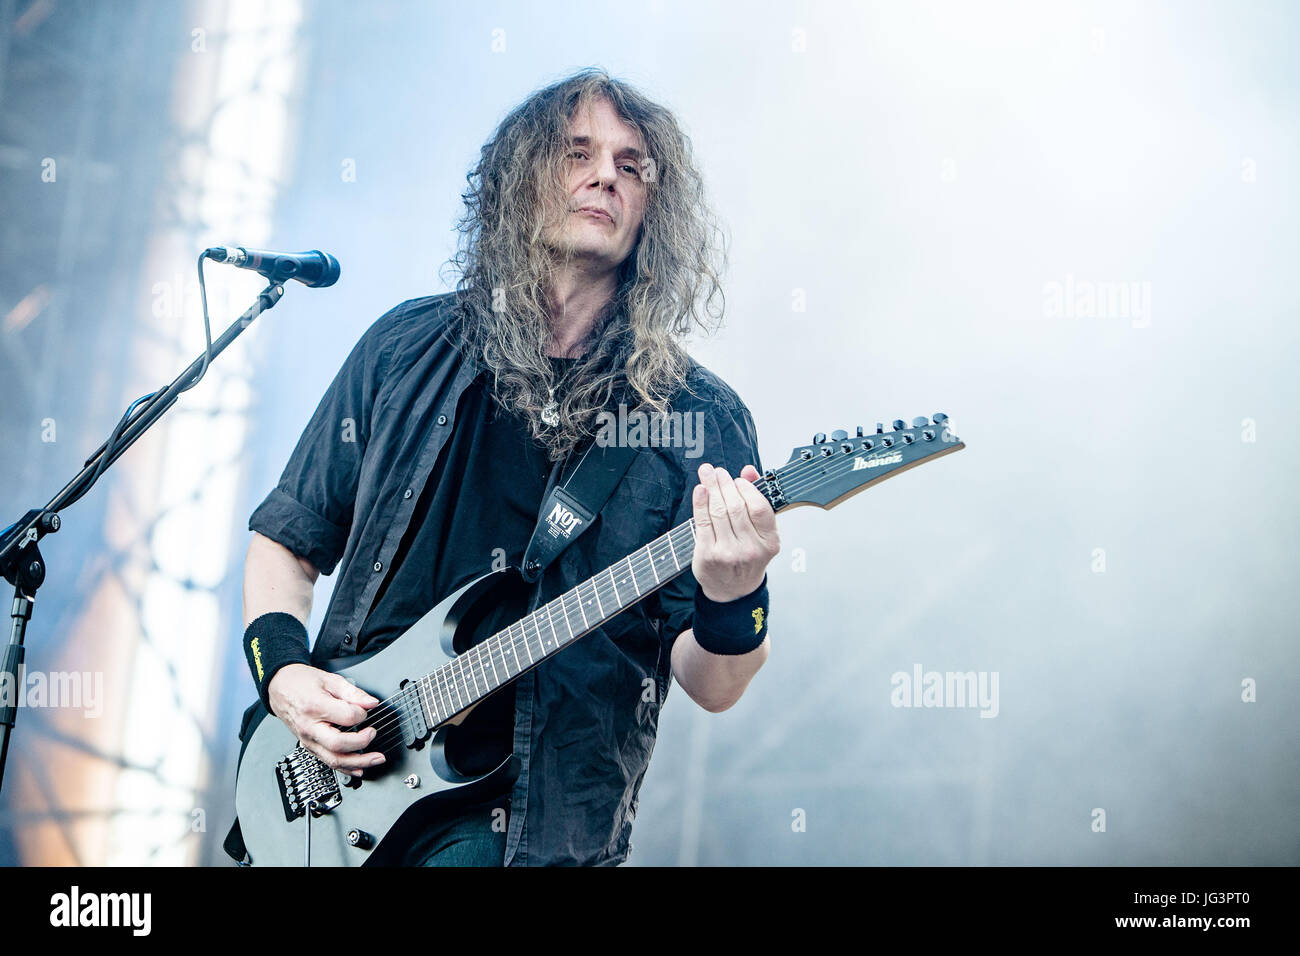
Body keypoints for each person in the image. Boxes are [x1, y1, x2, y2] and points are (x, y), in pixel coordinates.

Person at [235, 68, 779, 866]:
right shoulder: (403, 349)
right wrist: (281, 672)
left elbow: (715, 684)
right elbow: (287, 540)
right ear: (521, 179)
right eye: (578, 153)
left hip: (531, 831)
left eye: (633, 166)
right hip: (335, 789)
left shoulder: (695, 417)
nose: (605, 176)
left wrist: (736, 594)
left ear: (653, 217)